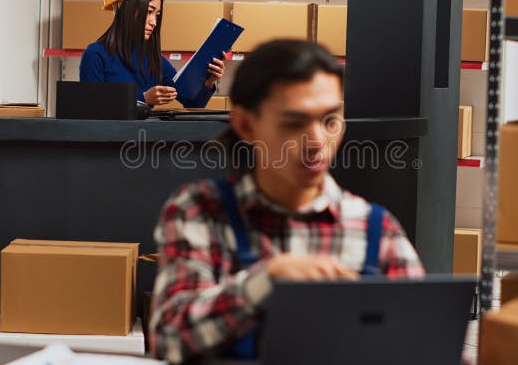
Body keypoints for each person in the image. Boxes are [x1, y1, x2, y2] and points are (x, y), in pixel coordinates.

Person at [149, 40, 425, 364]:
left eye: (331, 121)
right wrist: (267, 279)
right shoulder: (200, 213)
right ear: (245, 125)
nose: (317, 143)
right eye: (294, 124)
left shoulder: (376, 230)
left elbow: (426, 344)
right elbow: (168, 340)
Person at [79, 0, 226, 107]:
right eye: (149, 12)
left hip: (145, 133)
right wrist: (143, 99)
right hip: (110, 133)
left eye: (157, 14)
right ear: (123, 6)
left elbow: (192, 102)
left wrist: (208, 82)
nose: (154, 22)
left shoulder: (155, 59)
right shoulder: (95, 55)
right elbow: (92, 108)